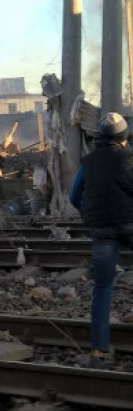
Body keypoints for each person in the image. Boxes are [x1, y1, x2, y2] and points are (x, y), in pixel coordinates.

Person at [69, 111, 133, 360]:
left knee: (103, 285)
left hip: (101, 228)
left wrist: (89, 213)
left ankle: (98, 348)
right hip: (130, 222)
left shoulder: (89, 161)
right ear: (123, 137)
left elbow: (74, 197)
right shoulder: (128, 157)